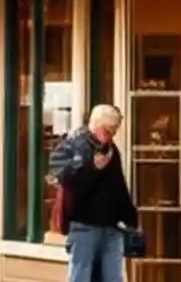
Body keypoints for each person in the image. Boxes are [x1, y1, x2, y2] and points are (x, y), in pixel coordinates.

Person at [49, 104, 137, 282]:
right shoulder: (72, 146)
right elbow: (68, 184)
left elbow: (118, 186)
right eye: (108, 129)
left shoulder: (112, 151)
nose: (112, 134)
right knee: (81, 276)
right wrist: (93, 169)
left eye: (115, 130)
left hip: (111, 227)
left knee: (113, 278)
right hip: (84, 226)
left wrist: (130, 217)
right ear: (96, 125)